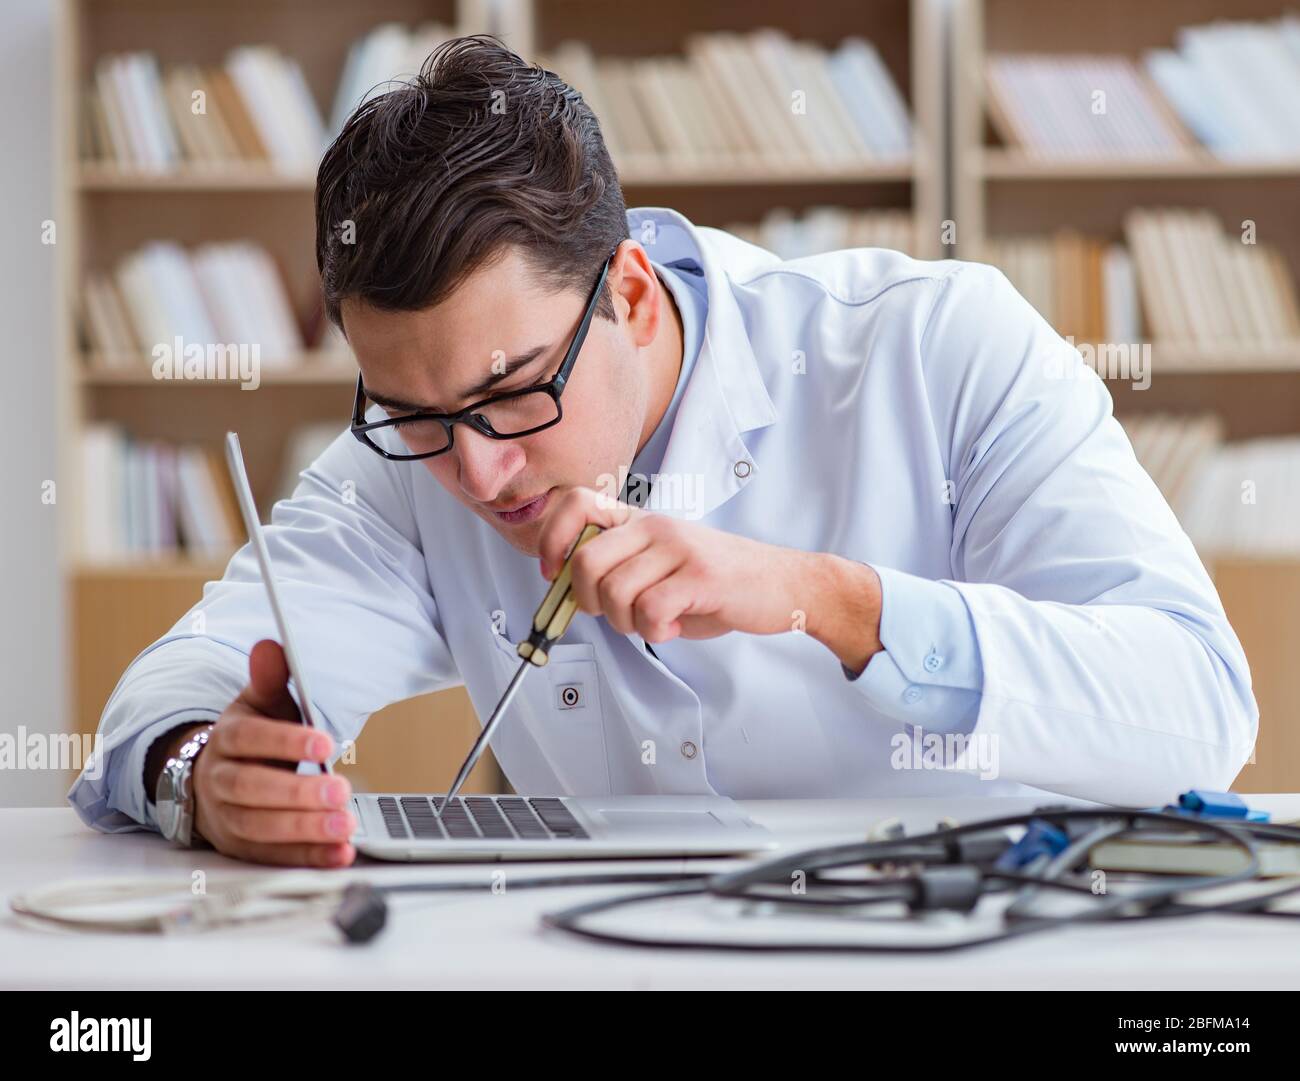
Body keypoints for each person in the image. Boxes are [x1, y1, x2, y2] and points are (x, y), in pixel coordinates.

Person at [68, 35, 1257, 867]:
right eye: (415, 415)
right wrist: (199, 773)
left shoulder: (937, 346)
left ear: (630, 294)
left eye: (512, 392)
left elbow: (1196, 705)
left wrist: (822, 599)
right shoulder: (412, 459)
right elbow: (172, 689)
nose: (477, 474)